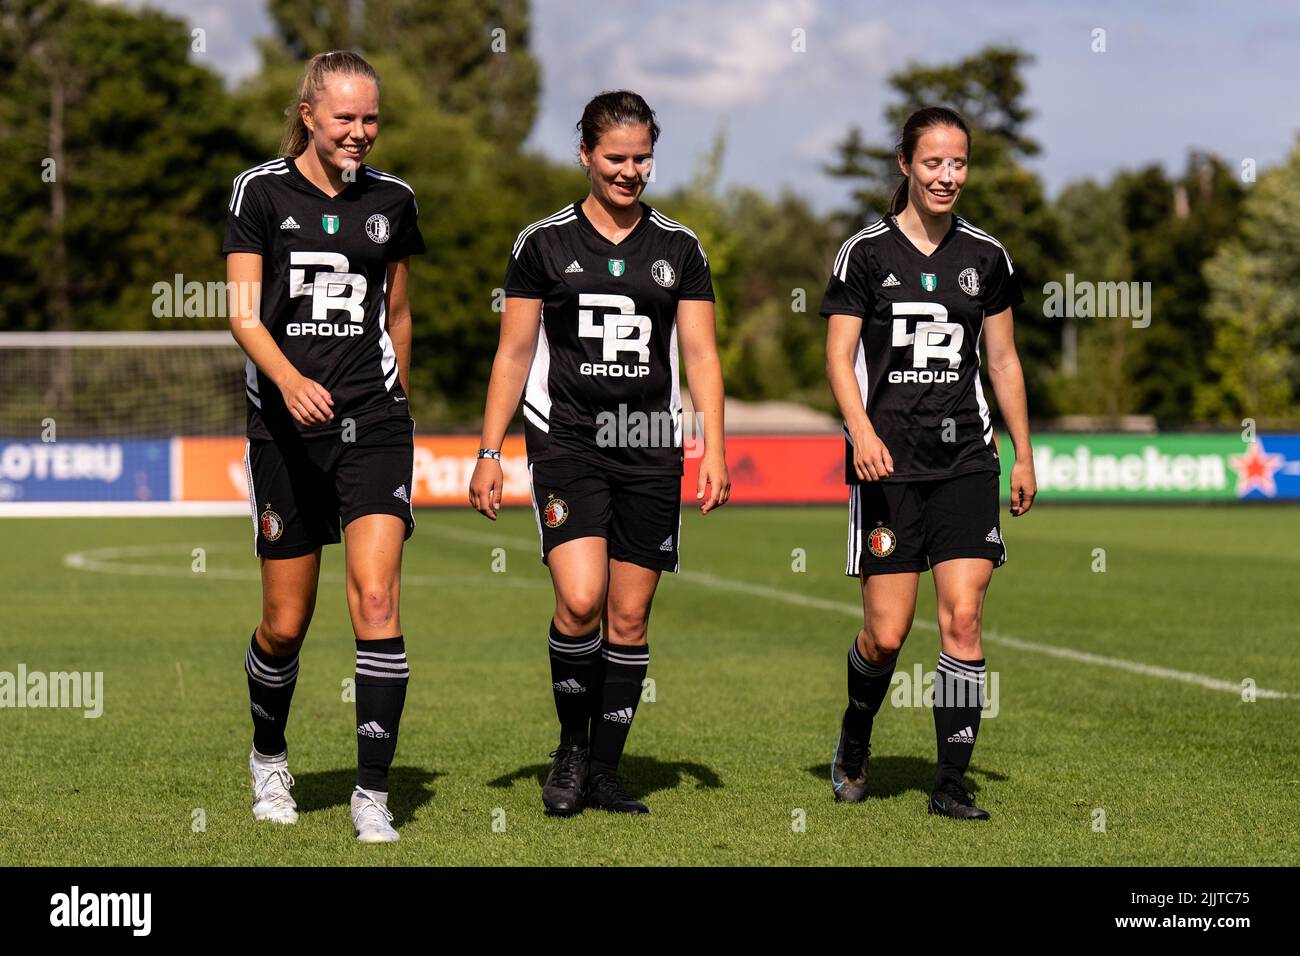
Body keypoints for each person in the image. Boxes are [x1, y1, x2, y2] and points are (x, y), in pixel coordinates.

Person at [469, 90, 730, 816]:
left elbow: (701, 355)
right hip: (568, 439)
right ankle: (573, 749)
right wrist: (489, 451)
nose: (630, 171)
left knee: (630, 618)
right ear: (584, 154)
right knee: (581, 599)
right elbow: (513, 353)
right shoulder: (543, 243)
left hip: (650, 442)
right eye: (615, 157)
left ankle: (608, 771)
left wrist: (711, 443)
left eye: (642, 157)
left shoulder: (680, 248)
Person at [223, 50, 425, 842]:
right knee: (285, 621)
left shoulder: (395, 201)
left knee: (376, 599)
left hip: (373, 427)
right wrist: (288, 381)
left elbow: (398, 313)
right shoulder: (258, 192)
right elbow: (243, 314)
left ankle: (372, 795)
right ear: (308, 113)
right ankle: (269, 758)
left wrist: (396, 401)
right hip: (283, 429)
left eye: (371, 118)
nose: (360, 132)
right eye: (345, 117)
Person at [819, 106, 1037, 820]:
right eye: (934, 163)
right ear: (907, 166)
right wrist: (859, 432)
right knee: (885, 635)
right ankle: (856, 734)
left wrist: (1022, 452)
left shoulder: (987, 258)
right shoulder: (866, 254)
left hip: (968, 462)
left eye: (959, 163)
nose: (947, 176)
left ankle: (949, 782)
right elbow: (838, 356)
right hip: (888, 468)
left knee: (964, 618)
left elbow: (1002, 360)